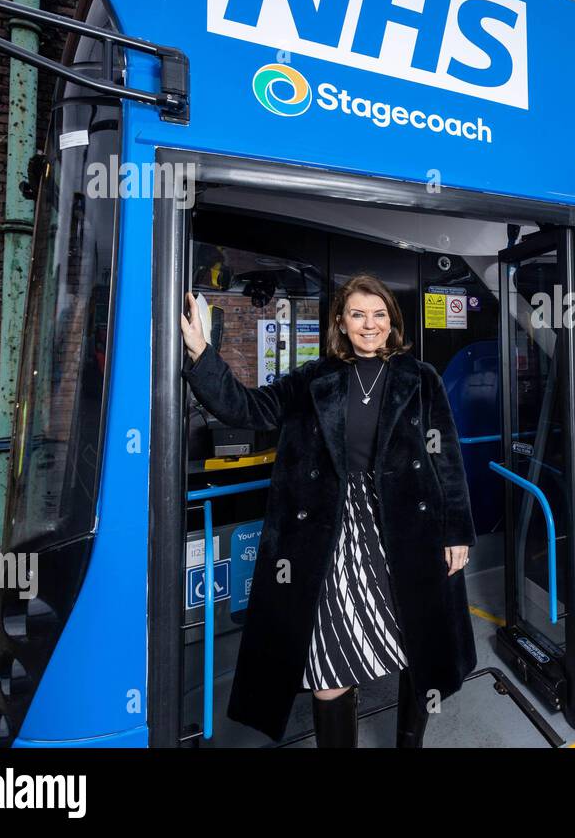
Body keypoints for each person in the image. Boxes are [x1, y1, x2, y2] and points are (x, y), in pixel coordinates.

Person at [180, 273, 477, 747]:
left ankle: (409, 743)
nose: (369, 324)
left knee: (420, 644)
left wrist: (456, 531)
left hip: (404, 529)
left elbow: (446, 458)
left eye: (379, 314)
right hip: (329, 532)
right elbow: (248, 409)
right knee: (327, 661)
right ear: (341, 321)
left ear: (392, 322)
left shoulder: (420, 379)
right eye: (358, 314)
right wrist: (200, 352)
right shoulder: (314, 379)